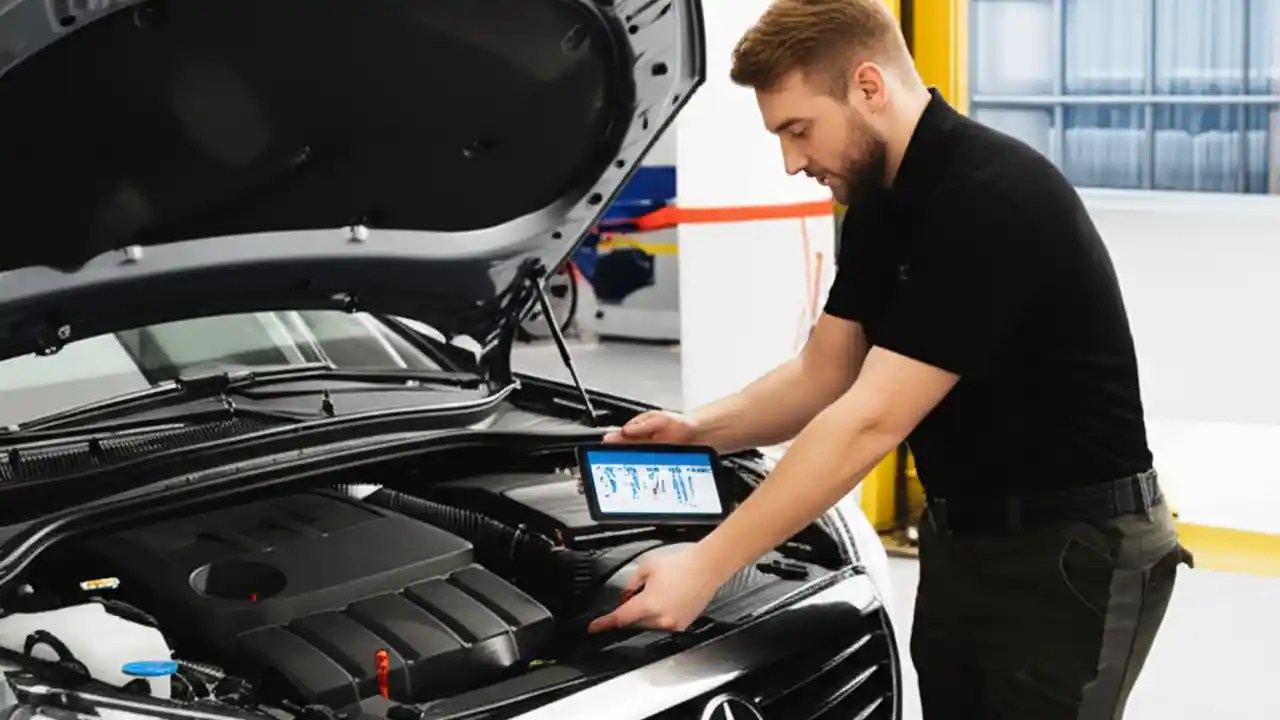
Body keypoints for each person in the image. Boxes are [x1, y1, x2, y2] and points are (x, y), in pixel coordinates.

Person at [586, 1, 1192, 717]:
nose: (791, 162)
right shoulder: (880, 203)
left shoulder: (990, 197)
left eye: (798, 129)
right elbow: (825, 374)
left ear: (869, 86)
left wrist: (706, 567)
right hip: (965, 536)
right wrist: (698, 429)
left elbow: (869, 421)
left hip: (1073, 552)